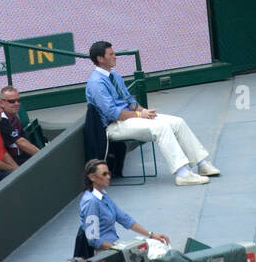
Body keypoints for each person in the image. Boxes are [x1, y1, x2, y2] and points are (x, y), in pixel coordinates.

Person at [87, 40, 218, 186]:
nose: (115, 56)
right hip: (113, 126)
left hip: (129, 118)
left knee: (177, 122)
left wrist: (143, 111)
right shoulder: (96, 83)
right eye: (111, 54)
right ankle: (183, 174)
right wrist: (139, 115)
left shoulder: (114, 75)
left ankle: (202, 164)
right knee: (161, 127)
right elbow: (114, 113)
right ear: (100, 58)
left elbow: (129, 100)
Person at [79, 159, 169, 250]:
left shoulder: (103, 195)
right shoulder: (91, 202)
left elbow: (125, 219)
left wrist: (151, 235)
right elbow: (93, 240)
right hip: (104, 252)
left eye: (109, 173)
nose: (109, 177)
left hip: (114, 246)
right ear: (92, 177)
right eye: (104, 174)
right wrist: (119, 250)